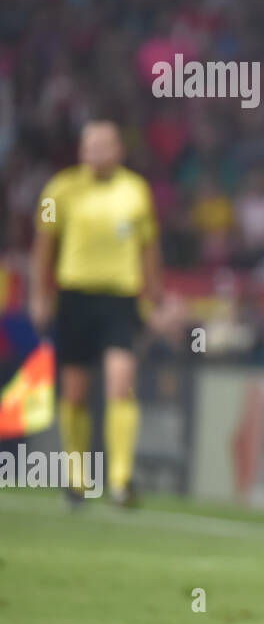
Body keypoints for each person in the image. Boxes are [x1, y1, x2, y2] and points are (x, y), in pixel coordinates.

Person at [29, 120, 163, 507]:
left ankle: (120, 480)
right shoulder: (59, 189)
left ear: (119, 149)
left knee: (121, 380)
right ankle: (77, 477)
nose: (98, 152)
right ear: (81, 150)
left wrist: (153, 298)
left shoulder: (136, 191)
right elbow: (44, 243)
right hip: (75, 297)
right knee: (74, 390)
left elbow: (149, 247)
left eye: (106, 144)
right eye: (92, 145)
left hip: (120, 298)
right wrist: (40, 294)